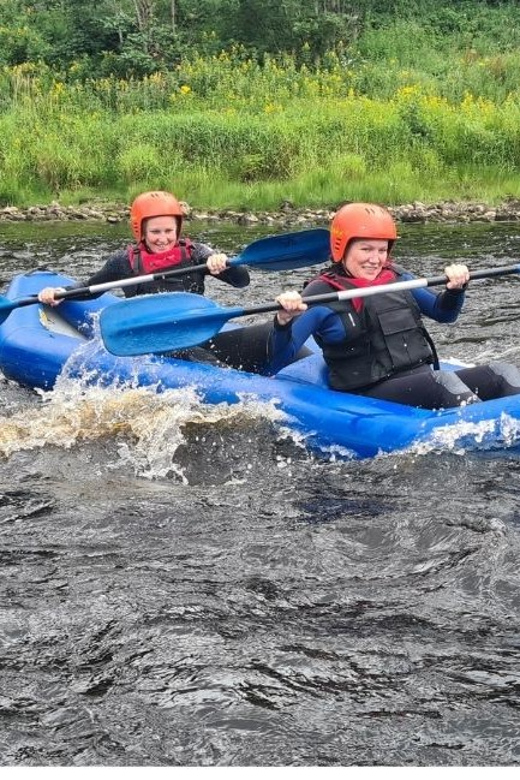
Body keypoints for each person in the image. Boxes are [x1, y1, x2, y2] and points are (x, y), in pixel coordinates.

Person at [269, 202, 520, 408]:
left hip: (422, 379)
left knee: (501, 373)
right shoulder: (321, 293)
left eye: (381, 250)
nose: (375, 259)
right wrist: (283, 321)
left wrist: (455, 290)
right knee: (442, 382)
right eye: (365, 249)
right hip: (369, 391)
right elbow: (280, 357)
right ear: (341, 248)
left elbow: (444, 314)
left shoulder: (397, 278)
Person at [38, 190, 256, 365]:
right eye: (155, 232)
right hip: (147, 336)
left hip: (190, 329)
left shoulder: (197, 254)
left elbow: (241, 281)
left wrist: (224, 264)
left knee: (194, 350)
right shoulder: (123, 261)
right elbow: (91, 288)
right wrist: (61, 294)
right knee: (196, 357)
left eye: (169, 231)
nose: (163, 239)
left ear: (178, 229)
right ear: (140, 231)